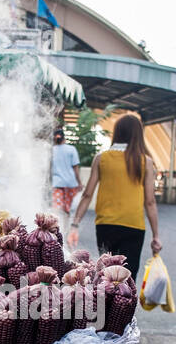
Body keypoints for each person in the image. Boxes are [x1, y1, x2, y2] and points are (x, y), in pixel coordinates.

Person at [67, 113, 162, 281]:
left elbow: (87, 194)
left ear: (117, 133)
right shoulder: (145, 161)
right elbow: (150, 201)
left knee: (106, 275)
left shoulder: (101, 158)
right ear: (137, 135)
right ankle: (124, 307)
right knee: (128, 278)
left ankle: (106, 306)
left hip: (106, 226)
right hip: (134, 226)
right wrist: (156, 236)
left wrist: (75, 224)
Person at [49, 126, 83, 224]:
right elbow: (75, 167)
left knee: (57, 208)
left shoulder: (52, 150)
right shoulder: (71, 149)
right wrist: (79, 183)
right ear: (64, 138)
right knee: (67, 209)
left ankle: (57, 228)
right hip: (71, 184)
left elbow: (49, 169)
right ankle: (66, 228)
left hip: (57, 183)